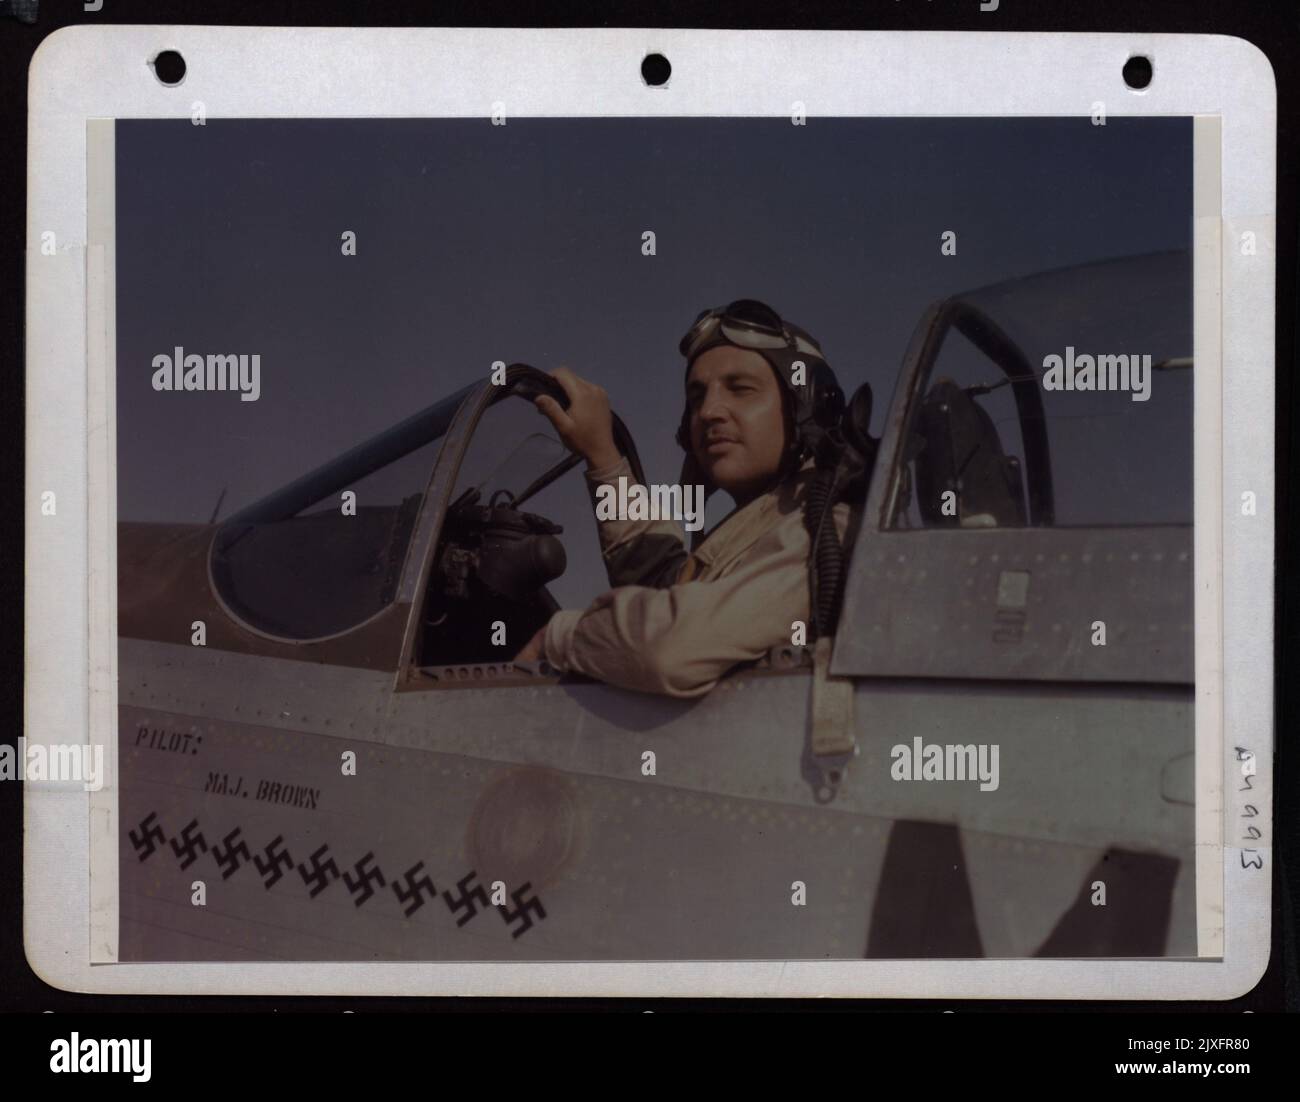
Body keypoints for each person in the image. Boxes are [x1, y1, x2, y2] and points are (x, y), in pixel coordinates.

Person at [514, 299, 855, 698]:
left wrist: (559, 638)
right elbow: (664, 586)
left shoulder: (828, 528)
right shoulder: (762, 526)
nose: (709, 411)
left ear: (810, 407)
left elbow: (671, 648)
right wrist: (604, 459)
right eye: (696, 398)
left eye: (741, 389)